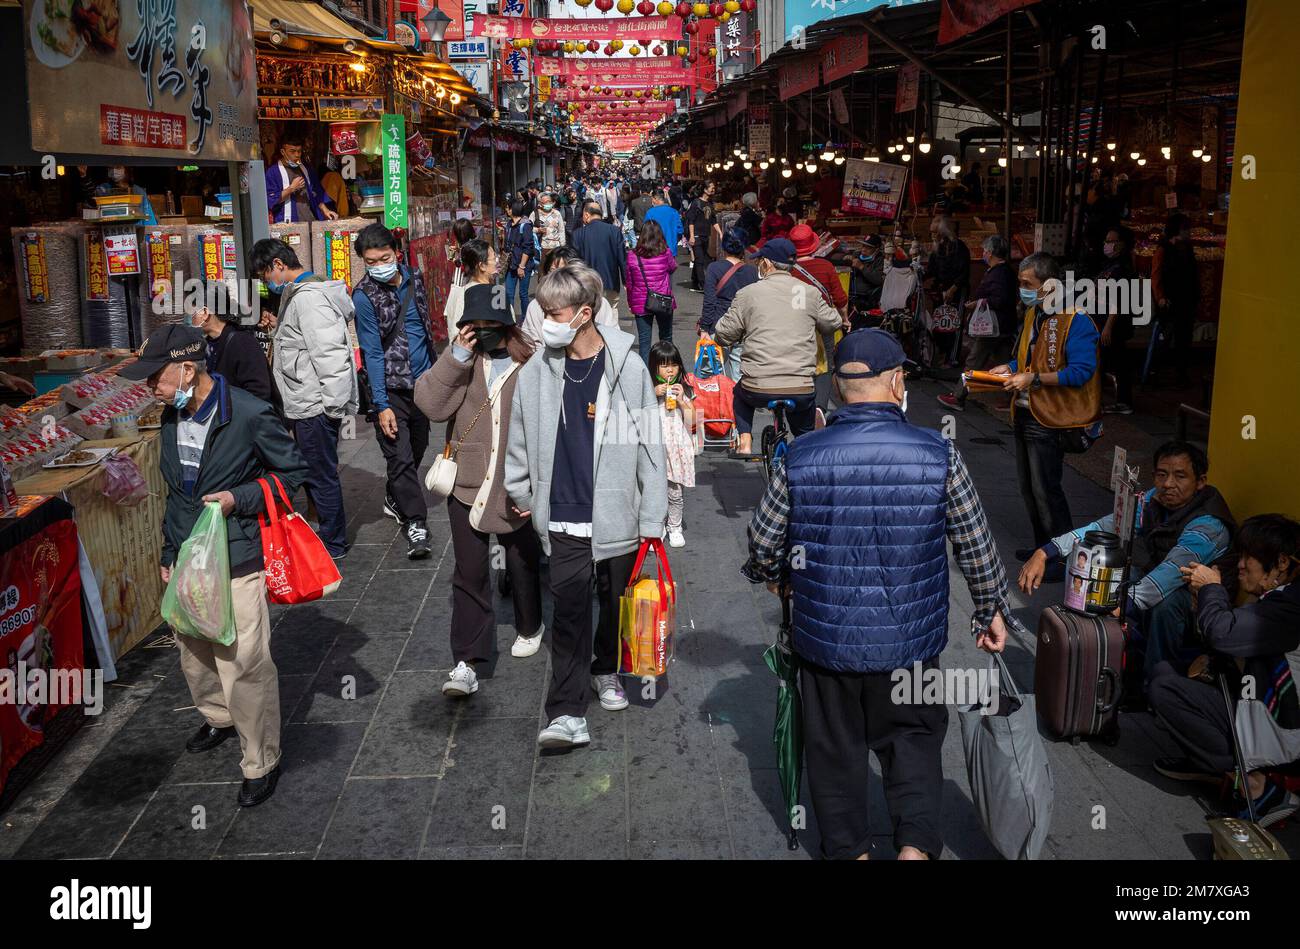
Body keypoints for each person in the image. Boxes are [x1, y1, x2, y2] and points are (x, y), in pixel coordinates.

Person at [742, 328, 1013, 860]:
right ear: (895, 382)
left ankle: (853, 851)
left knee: (835, 753)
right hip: (911, 645)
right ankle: (914, 852)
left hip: (827, 645)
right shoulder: (939, 453)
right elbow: (975, 543)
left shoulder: (799, 455)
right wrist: (990, 610)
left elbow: (763, 543)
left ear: (840, 388)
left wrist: (776, 574)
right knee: (913, 746)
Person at [121, 324, 308, 807]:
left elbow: (292, 476)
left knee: (243, 662)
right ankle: (219, 718)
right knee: (193, 649)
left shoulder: (247, 413)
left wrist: (237, 498)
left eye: (155, 379)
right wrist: (168, 555)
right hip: (188, 556)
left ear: (188, 370)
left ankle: (260, 760)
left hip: (237, 552)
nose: (151, 390)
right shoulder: (168, 418)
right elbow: (176, 497)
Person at [504, 263, 667, 749]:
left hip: (617, 513)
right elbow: (518, 442)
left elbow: (648, 447)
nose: (546, 321)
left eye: (555, 313)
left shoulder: (627, 368)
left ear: (584, 314)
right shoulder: (536, 372)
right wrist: (523, 495)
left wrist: (652, 517)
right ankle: (566, 713)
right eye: (543, 312)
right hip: (559, 513)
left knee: (615, 605)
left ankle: (606, 669)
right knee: (570, 613)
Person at [415, 284, 545, 696]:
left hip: (515, 483)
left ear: (507, 325)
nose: (485, 332)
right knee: (469, 572)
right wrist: (456, 357)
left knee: (522, 562)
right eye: (476, 325)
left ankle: (530, 623)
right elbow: (432, 407)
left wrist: (537, 485)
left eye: (493, 325)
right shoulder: (463, 362)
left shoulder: (531, 363)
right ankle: (468, 660)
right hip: (468, 483)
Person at [1019, 441, 1236, 687]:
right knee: (1111, 574)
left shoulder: (1208, 526)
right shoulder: (1156, 500)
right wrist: (1046, 552)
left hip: (1204, 604)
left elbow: (1169, 575)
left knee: (1167, 604)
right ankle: (1102, 653)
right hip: (1164, 583)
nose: (1168, 484)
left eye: (1180, 476)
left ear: (1201, 482)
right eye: (1162, 475)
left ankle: (1156, 684)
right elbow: (1104, 528)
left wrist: (1125, 603)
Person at [1150, 514, 1300, 819]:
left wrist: (1211, 588)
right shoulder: (1276, 599)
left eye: (1249, 557)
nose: (1241, 565)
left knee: (1164, 688)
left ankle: (1260, 787)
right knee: (1167, 671)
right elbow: (1227, 644)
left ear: (1281, 563)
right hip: (1255, 707)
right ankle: (1211, 763)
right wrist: (1202, 601)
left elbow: (1224, 633)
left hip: (1281, 736)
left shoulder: (1290, 608)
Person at [987, 252, 1100, 566]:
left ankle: (1059, 558)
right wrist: (1007, 368)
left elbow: (1081, 371)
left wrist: (1032, 378)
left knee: (1046, 491)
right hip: (1025, 412)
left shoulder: (1076, 320)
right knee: (1029, 489)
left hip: (1049, 418)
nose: (1022, 289)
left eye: (1027, 283)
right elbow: (1028, 361)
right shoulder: (1034, 314)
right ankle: (1042, 550)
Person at [250, 238, 358, 560]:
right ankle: (328, 536)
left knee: (320, 474)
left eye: (264, 275)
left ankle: (333, 544)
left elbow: (331, 355)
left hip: (315, 406)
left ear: (279, 266)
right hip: (307, 402)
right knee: (316, 472)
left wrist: (332, 410)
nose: (264, 283)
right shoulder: (299, 294)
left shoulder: (308, 299)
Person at [713, 239, 844, 454]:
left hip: (758, 387)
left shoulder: (749, 294)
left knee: (739, 395)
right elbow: (833, 322)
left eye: (760, 262)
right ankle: (805, 450)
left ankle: (745, 440)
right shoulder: (807, 292)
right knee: (803, 429)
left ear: (767, 263)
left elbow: (724, 333)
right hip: (800, 386)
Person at [353, 223, 435, 560]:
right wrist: (381, 404)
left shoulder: (414, 277)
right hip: (390, 388)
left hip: (423, 383)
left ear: (396, 253)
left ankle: (394, 493)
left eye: (384, 258)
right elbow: (371, 352)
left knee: (418, 446)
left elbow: (426, 326)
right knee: (398, 457)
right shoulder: (364, 295)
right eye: (370, 262)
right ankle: (416, 523)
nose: (378, 266)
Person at [938, 234, 1020, 411]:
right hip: (1002, 325)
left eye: (985, 250)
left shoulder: (1000, 273)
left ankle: (958, 396)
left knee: (974, 361)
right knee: (1004, 362)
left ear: (991, 252)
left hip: (994, 326)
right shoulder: (1002, 271)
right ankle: (1012, 398)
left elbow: (999, 299)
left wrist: (978, 303)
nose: (983, 253)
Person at [189, 284, 275, 405]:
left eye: (192, 312)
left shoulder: (243, 342)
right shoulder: (208, 344)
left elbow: (259, 392)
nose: (190, 317)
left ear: (205, 313)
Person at [647, 341, 695, 549]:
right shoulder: (647, 387)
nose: (670, 370)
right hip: (653, 447)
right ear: (654, 366)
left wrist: (683, 400)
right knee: (651, 491)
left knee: (675, 491)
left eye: (674, 365)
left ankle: (675, 526)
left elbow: (693, 421)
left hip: (676, 448)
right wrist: (651, 394)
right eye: (664, 365)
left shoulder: (683, 389)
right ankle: (655, 528)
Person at [522, 247, 619, 348]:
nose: (558, 278)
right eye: (552, 271)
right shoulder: (536, 306)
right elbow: (529, 344)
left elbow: (614, 340)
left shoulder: (598, 304)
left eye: (565, 272)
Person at [700, 228, 760, 382]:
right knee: (739, 376)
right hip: (742, 327)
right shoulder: (752, 272)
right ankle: (734, 405)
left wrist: (705, 328)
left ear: (724, 246)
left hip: (719, 325)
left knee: (710, 374)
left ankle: (715, 404)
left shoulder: (714, 268)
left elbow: (709, 301)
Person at [1151, 212, 1198, 386]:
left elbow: (1193, 276)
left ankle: (1181, 374)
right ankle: (1155, 372)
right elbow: (1156, 276)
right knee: (1165, 338)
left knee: (1184, 340)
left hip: (1186, 301)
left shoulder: (1188, 248)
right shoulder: (1163, 249)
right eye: (1186, 228)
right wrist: (1161, 298)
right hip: (1170, 302)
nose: (1189, 232)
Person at [1097, 225, 1137, 414]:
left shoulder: (1123, 269)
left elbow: (1118, 301)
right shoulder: (1109, 265)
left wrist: (1108, 327)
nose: (1107, 244)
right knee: (1112, 361)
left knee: (1114, 361)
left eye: (1111, 241)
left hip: (1114, 325)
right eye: (1106, 241)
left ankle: (1122, 402)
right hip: (1103, 322)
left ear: (1121, 244)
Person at [625, 220, 678, 362]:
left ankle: (646, 377)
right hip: (663, 300)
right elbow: (673, 268)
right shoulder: (665, 253)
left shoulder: (632, 255)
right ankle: (668, 371)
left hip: (640, 301)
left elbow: (629, 283)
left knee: (644, 343)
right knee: (666, 339)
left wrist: (630, 303)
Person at [264, 134, 337, 223]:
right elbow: (271, 200)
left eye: (299, 151)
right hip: (287, 223)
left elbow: (316, 193)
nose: (297, 155)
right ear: (283, 152)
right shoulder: (273, 172)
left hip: (310, 220)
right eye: (292, 151)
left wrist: (325, 210)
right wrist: (291, 188)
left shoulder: (307, 169)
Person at [571, 200, 627, 312]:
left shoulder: (578, 234)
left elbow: (574, 263)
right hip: (610, 282)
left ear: (586, 214)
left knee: (589, 317)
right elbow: (622, 259)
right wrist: (626, 281)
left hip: (586, 284)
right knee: (611, 315)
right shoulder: (614, 231)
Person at [503, 201, 536, 320]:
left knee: (523, 295)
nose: (506, 210)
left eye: (508, 208)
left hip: (524, 266)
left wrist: (521, 266)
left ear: (513, 209)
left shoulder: (525, 225)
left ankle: (525, 320)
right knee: (508, 294)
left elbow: (527, 248)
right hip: (511, 265)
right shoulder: (508, 224)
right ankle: (510, 320)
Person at [684, 182, 716, 292]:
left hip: (705, 235)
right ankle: (703, 284)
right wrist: (692, 236)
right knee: (700, 259)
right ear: (705, 190)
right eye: (712, 188)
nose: (713, 189)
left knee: (699, 258)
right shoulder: (696, 203)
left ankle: (694, 279)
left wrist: (720, 233)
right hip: (696, 235)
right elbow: (691, 221)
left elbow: (713, 220)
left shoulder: (710, 203)